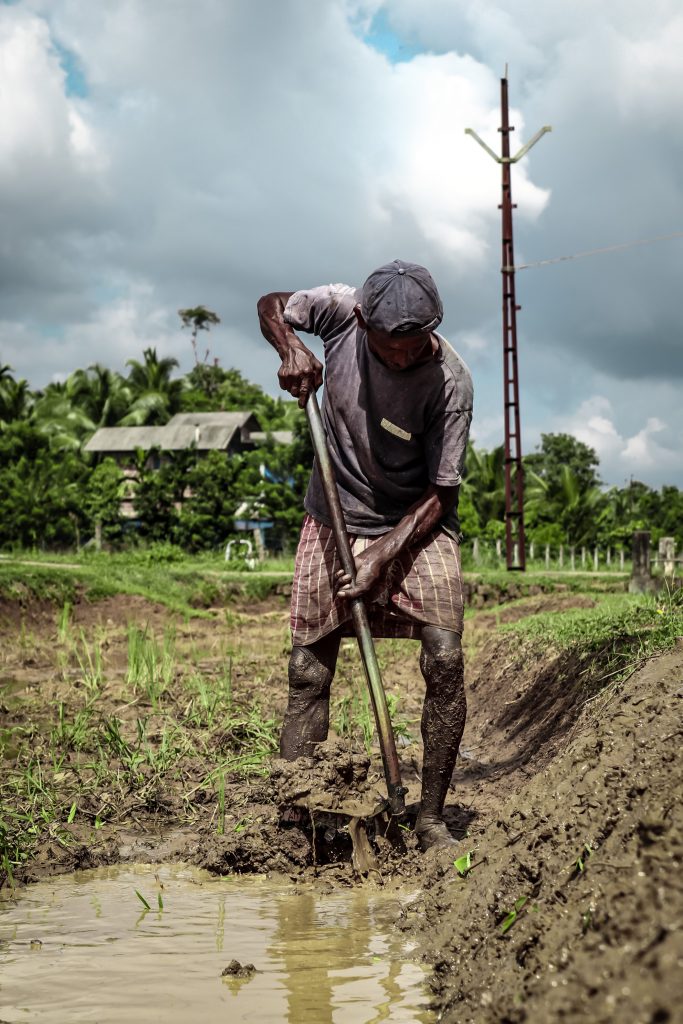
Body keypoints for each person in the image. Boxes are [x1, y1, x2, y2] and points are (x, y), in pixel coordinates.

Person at [256, 259, 473, 850]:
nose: (403, 358)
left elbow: (442, 493)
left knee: (446, 657)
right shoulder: (337, 309)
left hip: (414, 523)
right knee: (308, 670)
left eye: (415, 345)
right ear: (361, 321)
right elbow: (272, 301)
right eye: (389, 347)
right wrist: (290, 348)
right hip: (334, 510)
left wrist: (383, 554)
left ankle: (428, 818)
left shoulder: (451, 383)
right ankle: (296, 820)